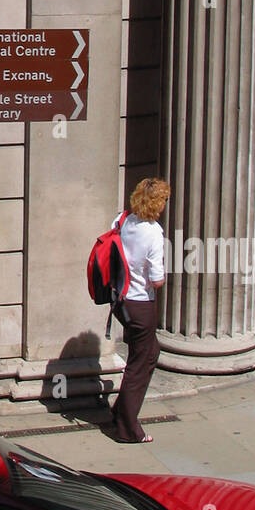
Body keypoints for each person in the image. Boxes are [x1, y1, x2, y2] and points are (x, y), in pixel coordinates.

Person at [110, 178, 170, 444]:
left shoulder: (122, 221)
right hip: (141, 304)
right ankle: (128, 428)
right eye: (164, 200)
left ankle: (120, 412)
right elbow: (157, 279)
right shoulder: (153, 232)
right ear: (158, 203)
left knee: (149, 353)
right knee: (138, 364)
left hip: (121, 303)